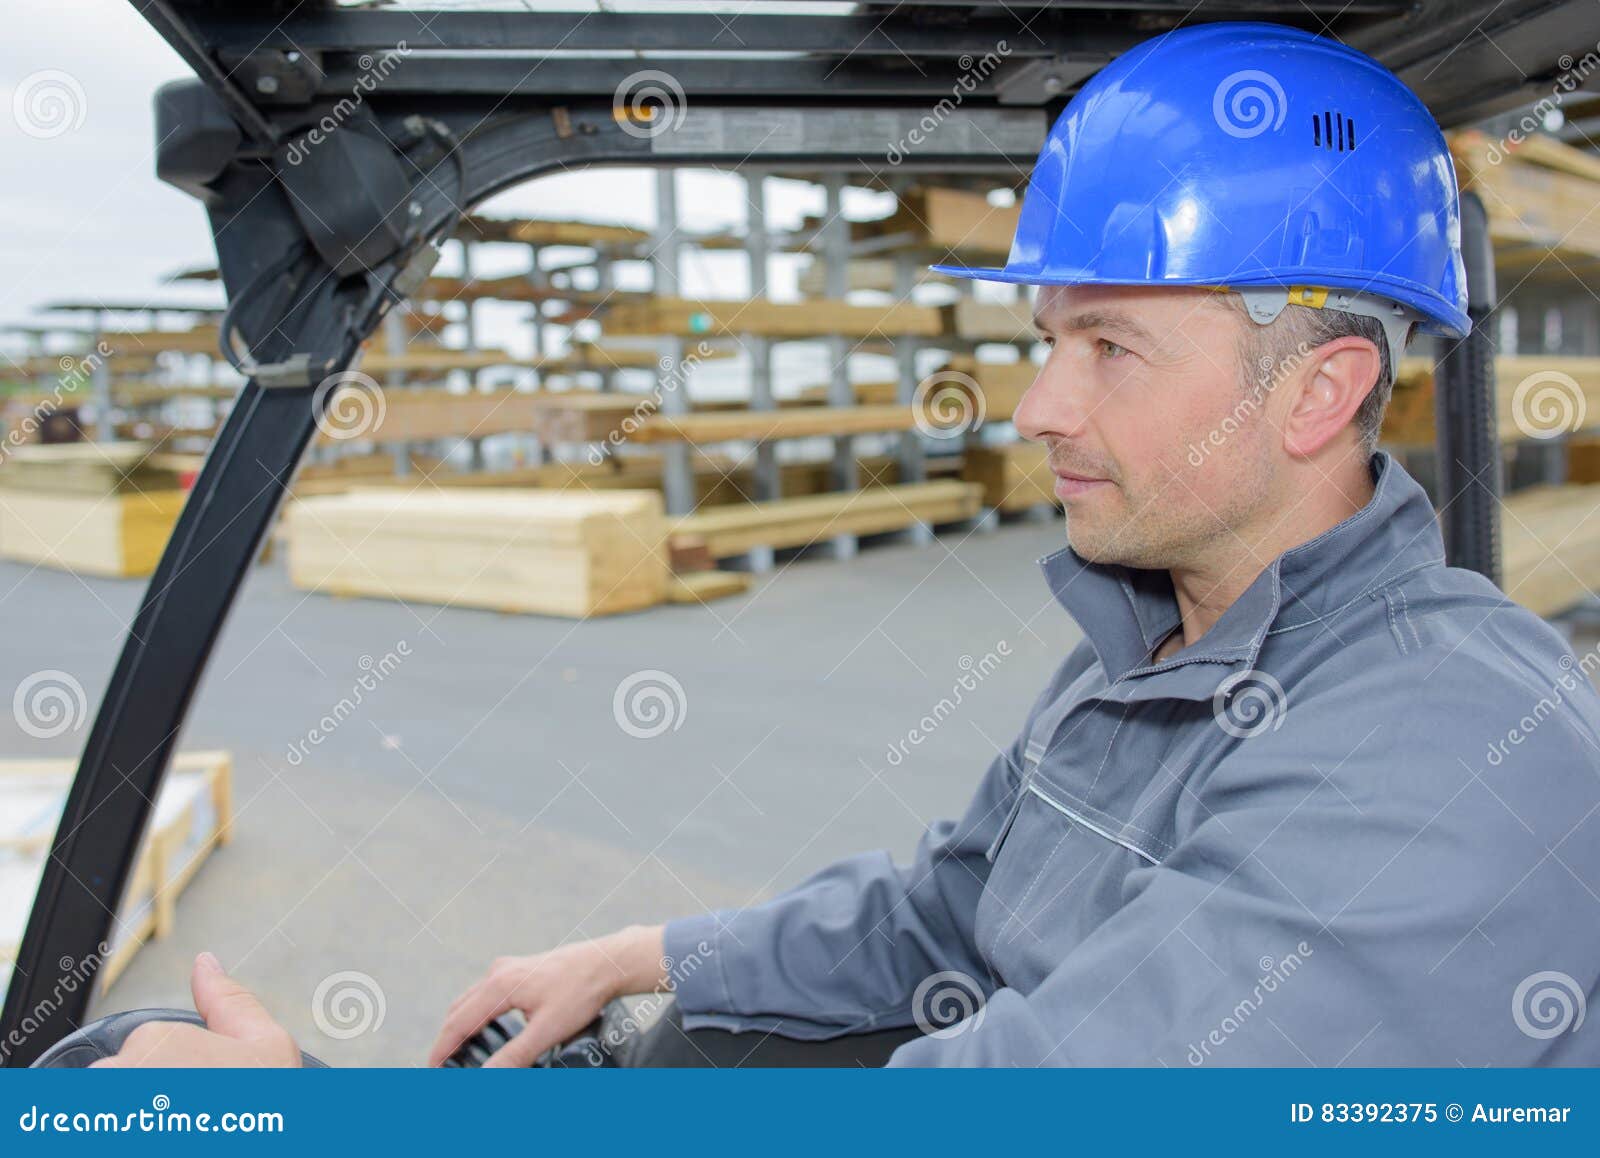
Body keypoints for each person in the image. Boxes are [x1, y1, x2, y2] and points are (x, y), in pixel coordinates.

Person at [101, 21, 1600, 1069]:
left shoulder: (1455, 747)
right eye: (1045, 340)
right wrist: (647, 953)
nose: (1035, 405)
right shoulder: (1155, 643)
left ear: (1320, 390)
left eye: (1113, 349)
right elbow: (945, 910)